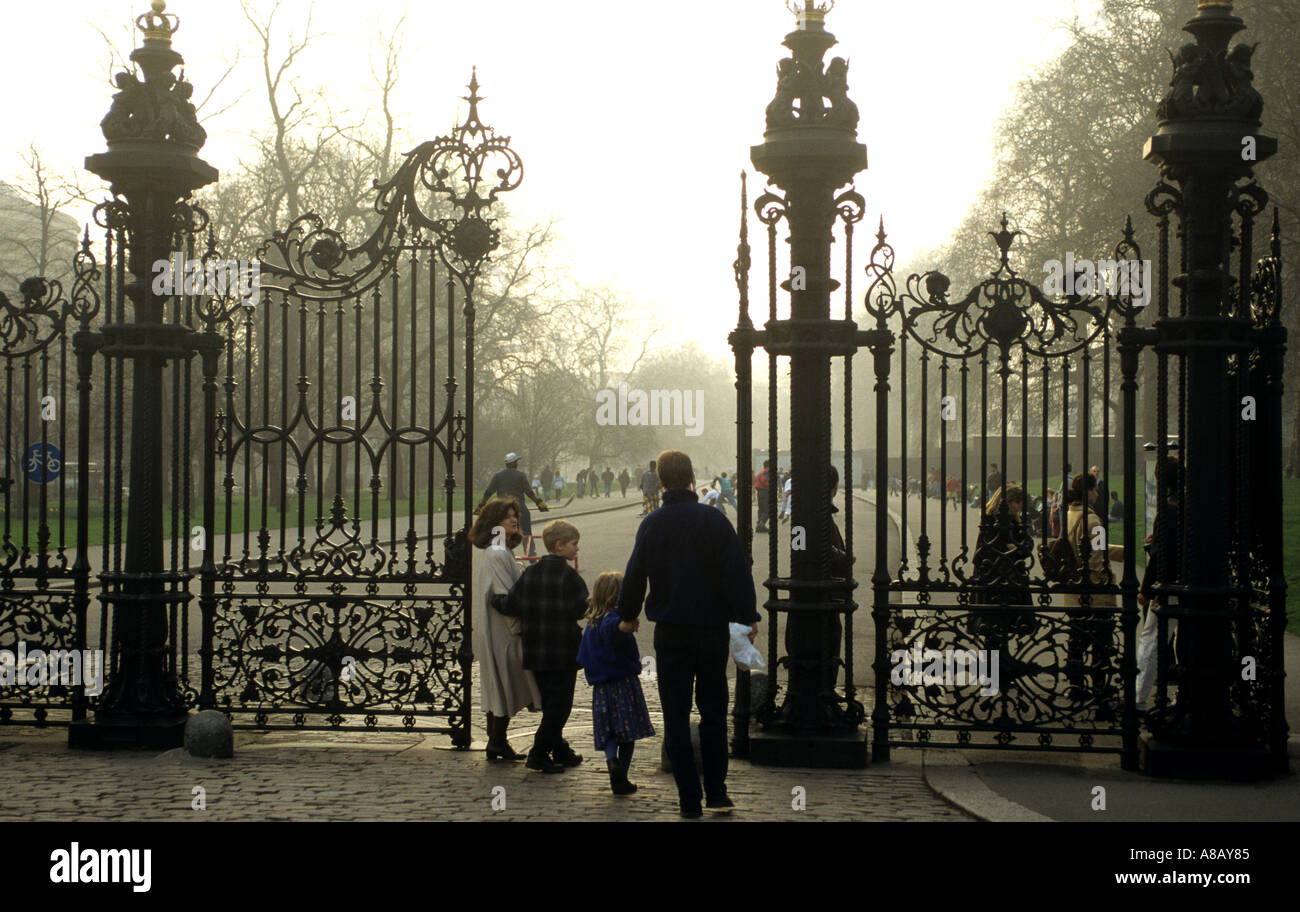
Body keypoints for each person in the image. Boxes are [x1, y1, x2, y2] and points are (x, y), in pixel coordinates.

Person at [619, 450, 759, 818]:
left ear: (661, 481)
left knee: (676, 715)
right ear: (693, 478)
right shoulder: (713, 521)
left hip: (671, 632)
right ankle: (716, 791)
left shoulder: (653, 523)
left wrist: (627, 616)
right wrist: (747, 616)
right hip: (711, 630)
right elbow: (737, 572)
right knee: (714, 712)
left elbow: (635, 575)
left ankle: (688, 799)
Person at [501, 519, 589, 774]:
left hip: (535, 649)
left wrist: (495, 600)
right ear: (560, 546)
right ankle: (538, 753)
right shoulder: (570, 577)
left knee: (551, 703)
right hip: (563, 651)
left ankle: (560, 748)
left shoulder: (531, 573)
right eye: (574, 545)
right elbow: (580, 610)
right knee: (560, 706)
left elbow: (512, 605)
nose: (577, 550)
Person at [470, 497, 540, 762]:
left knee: (499, 684)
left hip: (498, 629)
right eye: (507, 516)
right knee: (505, 682)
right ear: (494, 522)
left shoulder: (498, 550)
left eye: (515, 515)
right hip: (503, 630)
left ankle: (497, 741)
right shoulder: (497, 553)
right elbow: (503, 597)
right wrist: (520, 627)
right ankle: (497, 741)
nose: (513, 519)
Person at [578, 571, 655, 796]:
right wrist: (629, 623)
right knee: (628, 734)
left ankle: (611, 761)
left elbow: (583, 656)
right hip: (623, 683)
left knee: (610, 732)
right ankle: (622, 773)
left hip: (601, 687)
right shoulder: (612, 620)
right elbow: (615, 629)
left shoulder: (592, 622)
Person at [1063, 471, 1124, 699]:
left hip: (1073, 588)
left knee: (1076, 641)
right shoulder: (1093, 519)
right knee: (1101, 644)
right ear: (1088, 491)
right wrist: (1104, 584)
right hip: (1094, 594)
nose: (1098, 493)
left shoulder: (1070, 514)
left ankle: (1076, 686)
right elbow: (1097, 557)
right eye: (1096, 489)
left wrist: (1122, 553)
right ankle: (1100, 687)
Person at [1137, 456, 1181, 713]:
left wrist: (1145, 588)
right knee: (1183, 642)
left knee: (1151, 639)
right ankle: (1185, 695)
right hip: (1191, 583)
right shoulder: (1188, 505)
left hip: (1168, 585)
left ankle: (1139, 697)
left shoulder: (1167, 508)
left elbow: (1159, 554)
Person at [970, 484, 1035, 638]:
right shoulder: (990, 520)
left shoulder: (1016, 521)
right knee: (991, 625)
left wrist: (1016, 548)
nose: (1019, 506)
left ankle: (1000, 658)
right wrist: (1017, 549)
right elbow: (991, 549)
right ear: (1006, 502)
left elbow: (1028, 544)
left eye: (1021, 502)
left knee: (1005, 623)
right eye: (1017, 502)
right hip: (993, 576)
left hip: (1010, 577)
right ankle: (992, 659)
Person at [476, 452, 549, 557]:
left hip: (502, 507)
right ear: (514, 463)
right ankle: (531, 556)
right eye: (516, 462)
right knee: (526, 532)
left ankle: (502, 557)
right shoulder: (520, 475)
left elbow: (488, 492)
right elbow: (529, 492)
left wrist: (481, 505)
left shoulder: (498, 476)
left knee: (500, 533)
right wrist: (539, 503)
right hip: (518, 505)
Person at [754, 459, 773, 532]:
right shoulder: (766, 472)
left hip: (760, 492)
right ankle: (760, 525)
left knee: (761, 510)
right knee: (767, 510)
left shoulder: (760, 472)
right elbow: (764, 480)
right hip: (765, 492)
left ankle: (761, 525)